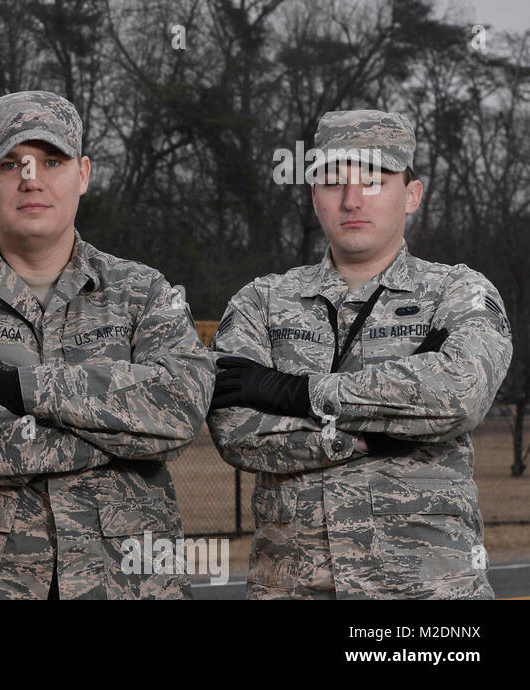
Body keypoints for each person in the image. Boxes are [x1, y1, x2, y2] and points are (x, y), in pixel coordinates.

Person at [0, 91, 214, 599]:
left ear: (83, 174)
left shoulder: (144, 292)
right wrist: (113, 441)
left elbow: (180, 409)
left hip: (127, 583)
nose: (31, 177)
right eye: (11, 163)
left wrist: (23, 389)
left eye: (51, 161)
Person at [207, 110, 513, 599]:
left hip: (427, 590)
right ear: (313, 197)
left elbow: (459, 394)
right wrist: (375, 435)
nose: (352, 199)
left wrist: (295, 393)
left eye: (373, 179)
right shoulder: (261, 301)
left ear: (411, 195)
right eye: (332, 182)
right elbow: (237, 430)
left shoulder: (458, 292)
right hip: (293, 589)